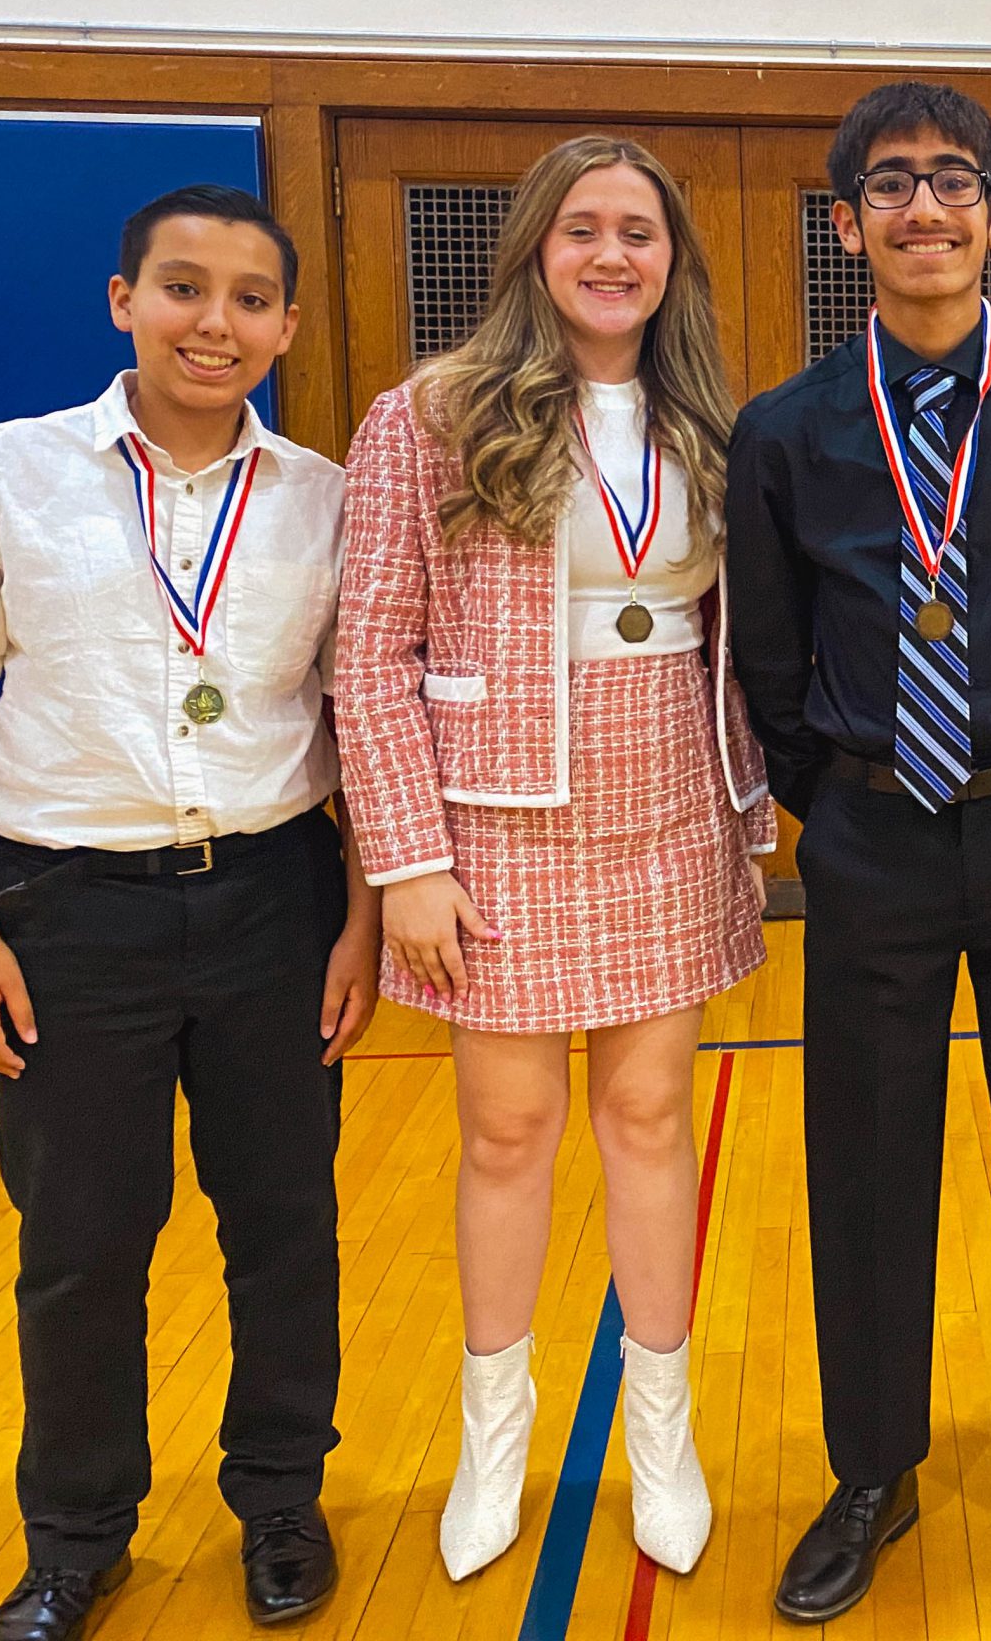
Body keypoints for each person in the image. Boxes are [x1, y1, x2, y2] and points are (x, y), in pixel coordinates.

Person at [0, 186, 373, 1640]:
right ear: (122, 302)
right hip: (67, 909)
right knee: (83, 1240)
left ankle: (281, 1498)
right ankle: (76, 1536)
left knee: (284, 1223)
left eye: (247, 298)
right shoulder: (3, 474)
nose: (214, 322)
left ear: (284, 324)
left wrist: (354, 917)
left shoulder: (330, 496)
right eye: (182, 288)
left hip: (277, 898)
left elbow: (362, 723)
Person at [724, 81, 991, 1624]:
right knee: (867, 1156)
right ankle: (871, 1468)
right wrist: (831, 795)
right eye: (891, 185)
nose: (925, 208)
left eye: (953, 181)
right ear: (849, 225)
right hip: (866, 833)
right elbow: (767, 655)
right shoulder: (782, 432)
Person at [333, 136, 774, 1581]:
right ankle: (494, 1439)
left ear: (671, 262)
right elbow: (371, 653)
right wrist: (405, 857)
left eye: (639, 233)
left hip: (668, 803)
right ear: (534, 247)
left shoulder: (713, 417)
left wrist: (755, 812)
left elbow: (741, 637)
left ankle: (664, 1434)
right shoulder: (430, 416)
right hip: (498, 818)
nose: (611, 255)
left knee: (652, 1122)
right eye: (582, 228)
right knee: (507, 1134)